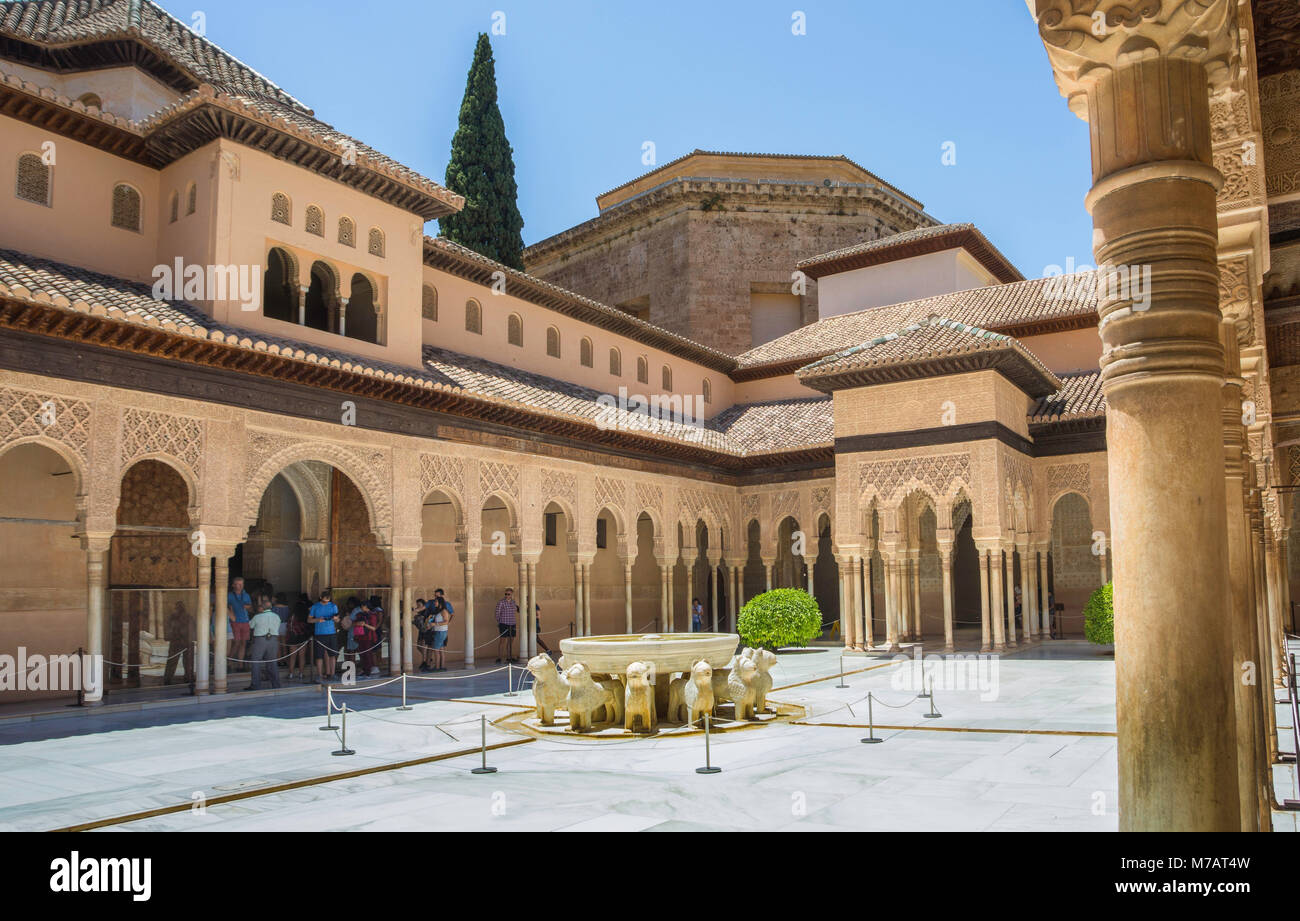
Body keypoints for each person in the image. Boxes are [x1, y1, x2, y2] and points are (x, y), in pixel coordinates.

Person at [248, 594, 282, 691]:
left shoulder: (257, 617)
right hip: (273, 640)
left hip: (260, 639)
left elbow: (250, 626)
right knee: (272, 662)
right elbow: (278, 625)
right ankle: (275, 684)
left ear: (261, 608)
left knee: (256, 661)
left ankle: (256, 685)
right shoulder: (277, 616)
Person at [308, 589, 339, 683]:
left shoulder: (333, 606)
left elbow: (337, 620)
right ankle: (319, 674)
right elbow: (309, 620)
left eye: (328, 600)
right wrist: (318, 620)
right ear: (321, 598)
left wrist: (336, 619)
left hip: (331, 632)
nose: (326, 601)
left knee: (332, 655)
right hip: (319, 633)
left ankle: (332, 674)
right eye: (324, 600)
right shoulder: (315, 607)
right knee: (319, 655)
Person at [162, 599, 193, 685]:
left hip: (183, 641)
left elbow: (191, 628)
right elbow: (169, 628)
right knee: (174, 661)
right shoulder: (174, 617)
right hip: (179, 641)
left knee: (186, 662)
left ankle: (186, 677)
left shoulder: (186, 617)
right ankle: (169, 679)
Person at [227, 576, 252, 672]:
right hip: (235, 622)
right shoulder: (229, 595)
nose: (239, 586)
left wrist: (248, 607)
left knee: (243, 643)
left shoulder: (246, 595)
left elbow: (250, 607)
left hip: (245, 621)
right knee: (236, 643)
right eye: (237, 584)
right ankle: (229, 662)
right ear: (233, 585)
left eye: (241, 584)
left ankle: (240, 664)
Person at [428, 588, 453, 672]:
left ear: (440, 602)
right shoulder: (438, 611)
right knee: (441, 649)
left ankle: (437, 667)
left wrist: (435, 624)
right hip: (439, 631)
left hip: (440, 632)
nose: (434, 603)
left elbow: (446, 621)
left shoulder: (444, 611)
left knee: (436, 650)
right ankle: (442, 666)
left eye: (436, 602)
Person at [287, 601, 311, 680]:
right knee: (302, 656)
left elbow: (289, 626)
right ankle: (301, 673)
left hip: (293, 637)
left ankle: (291, 674)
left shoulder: (292, 616)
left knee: (292, 657)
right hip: (303, 637)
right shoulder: (305, 615)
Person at [495, 588, 518, 664]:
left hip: (512, 623)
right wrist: (500, 622)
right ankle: (499, 657)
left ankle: (509, 657)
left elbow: (516, 610)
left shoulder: (513, 602)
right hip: (504, 623)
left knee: (511, 641)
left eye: (508, 594)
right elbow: (497, 613)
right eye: (506, 594)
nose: (507, 595)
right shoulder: (501, 602)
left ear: (511, 595)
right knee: (502, 641)